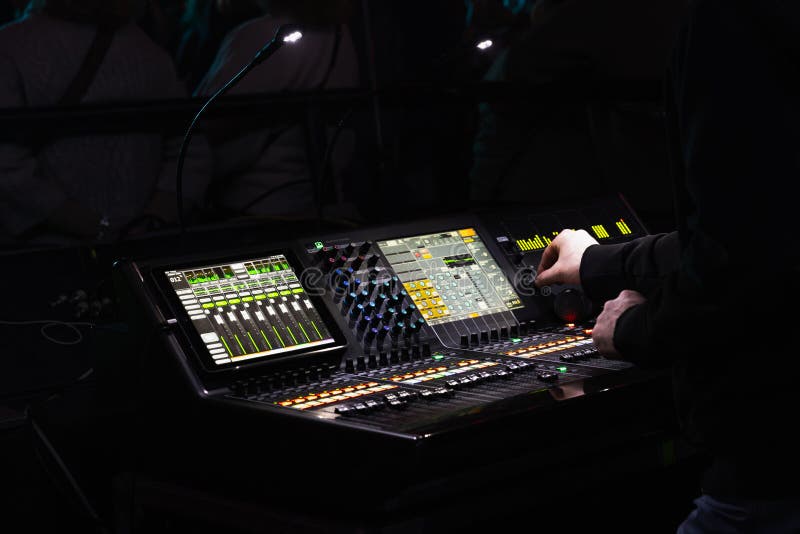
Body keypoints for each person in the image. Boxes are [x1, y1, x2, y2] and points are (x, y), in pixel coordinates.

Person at [534, 0, 800, 530]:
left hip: (774, 456)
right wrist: (599, 264)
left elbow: (739, 262)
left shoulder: (731, 21)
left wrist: (631, 330)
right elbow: (758, 225)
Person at [0, 0, 210, 247]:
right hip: (140, 243)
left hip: (43, 249)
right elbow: (190, 150)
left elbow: (7, 167)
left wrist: (97, 227)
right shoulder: (149, 51)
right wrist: (152, 219)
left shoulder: (11, 46)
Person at [470, 0, 687, 229]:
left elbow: (510, 80)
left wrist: (480, 194)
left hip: (594, 197)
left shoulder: (593, 15)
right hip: (660, 196)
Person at [194, 0, 359, 219]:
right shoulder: (341, 35)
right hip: (319, 205)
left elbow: (202, 126)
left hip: (252, 208)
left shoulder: (262, 35)